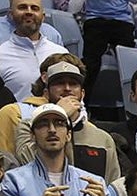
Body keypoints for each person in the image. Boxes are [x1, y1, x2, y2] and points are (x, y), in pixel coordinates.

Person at [3, 56, 121, 184]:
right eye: (59, 83)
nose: (67, 88)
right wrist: (60, 113)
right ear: (46, 93)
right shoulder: (28, 126)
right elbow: (29, 163)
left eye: (73, 84)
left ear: (82, 93)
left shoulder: (101, 137)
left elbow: (111, 185)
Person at [73, 0, 137, 97]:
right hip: (95, 19)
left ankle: (133, 110)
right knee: (90, 65)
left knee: (129, 67)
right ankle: (82, 105)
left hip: (122, 21)